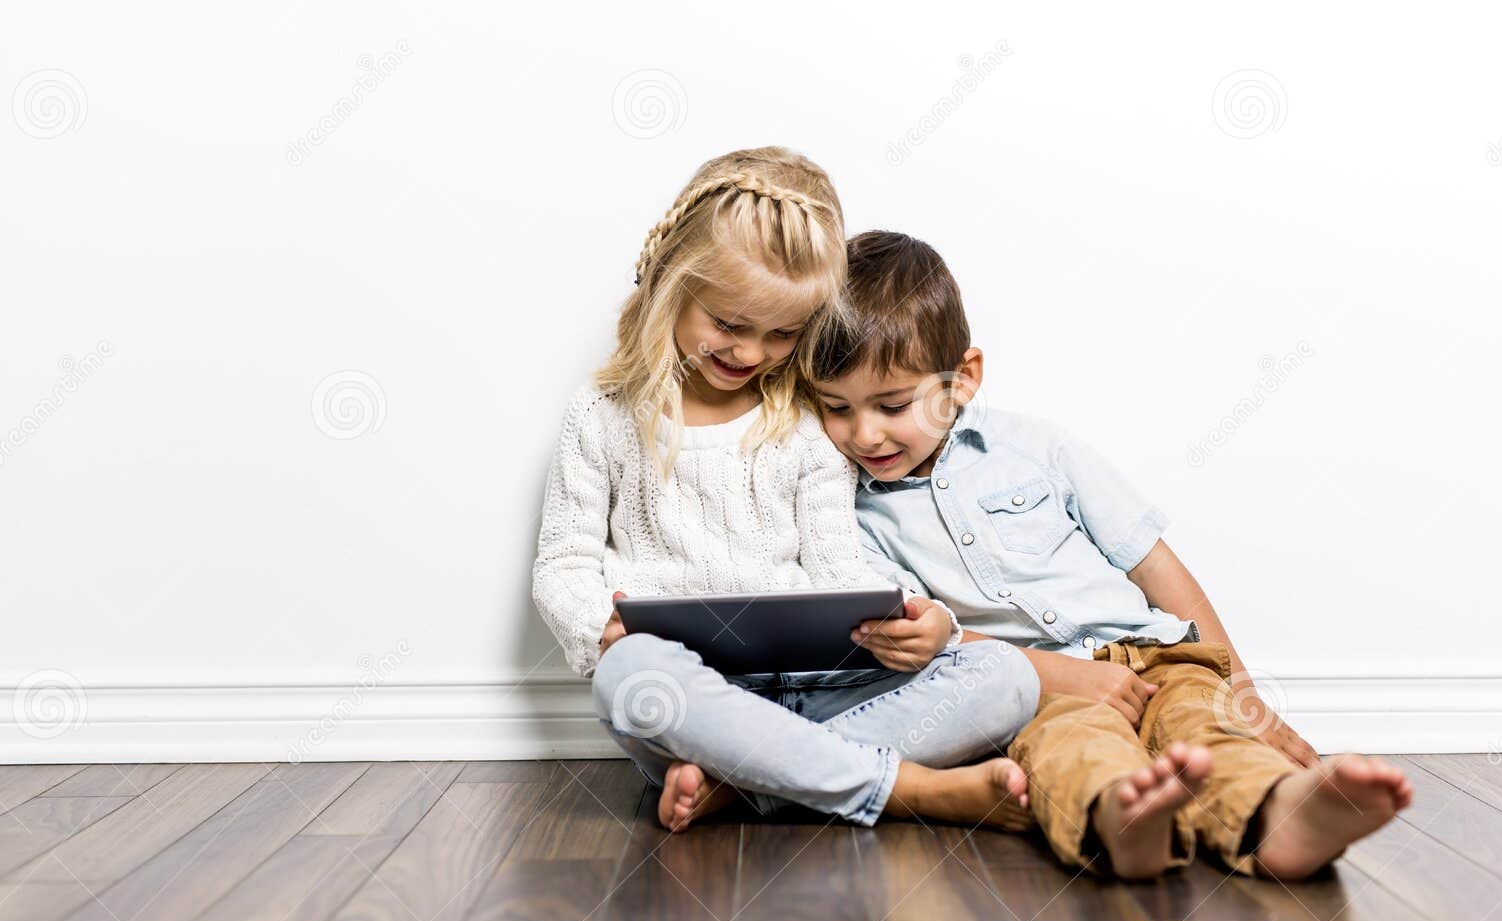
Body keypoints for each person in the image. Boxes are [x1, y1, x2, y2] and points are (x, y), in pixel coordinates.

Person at [810, 230, 1412, 879]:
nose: (864, 432)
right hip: (1041, 693)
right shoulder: (851, 515)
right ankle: (1124, 820)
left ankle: (1283, 815)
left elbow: (1153, 564)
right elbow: (936, 637)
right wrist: (1061, 676)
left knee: (1204, 726)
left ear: (963, 379)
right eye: (836, 408)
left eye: (892, 404)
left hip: (1156, 659)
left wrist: (1243, 692)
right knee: (1072, 750)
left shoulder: (1037, 450)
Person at [531, 152, 1041, 834]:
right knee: (627, 677)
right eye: (730, 323)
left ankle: (748, 784)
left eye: (783, 333)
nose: (750, 351)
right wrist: (600, 627)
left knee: (1007, 676)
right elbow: (563, 563)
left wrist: (924, 623)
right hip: (698, 704)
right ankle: (909, 789)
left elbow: (838, 567)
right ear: (669, 285)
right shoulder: (601, 415)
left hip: (825, 689)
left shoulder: (805, 423)